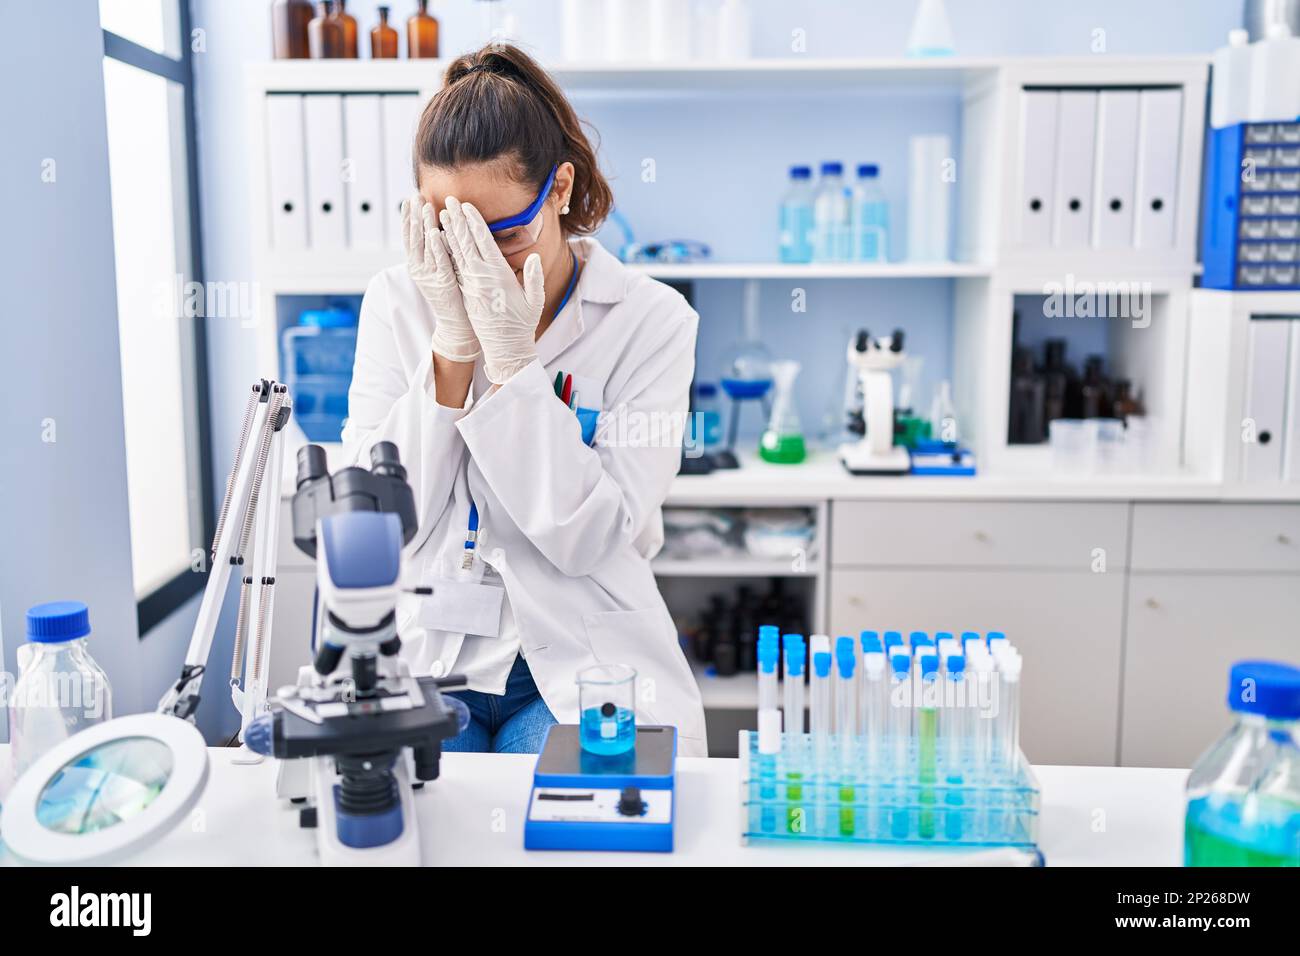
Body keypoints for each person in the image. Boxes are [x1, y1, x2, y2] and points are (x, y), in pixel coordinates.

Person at [342, 43, 707, 757]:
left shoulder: (651, 320)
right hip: (433, 656)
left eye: (500, 235)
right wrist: (452, 346)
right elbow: (380, 530)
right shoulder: (397, 302)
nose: (472, 259)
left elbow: (594, 536)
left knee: (562, 820)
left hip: (579, 657)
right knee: (426, 822)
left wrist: (513, 366)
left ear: (561, 188)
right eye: (452, 234)